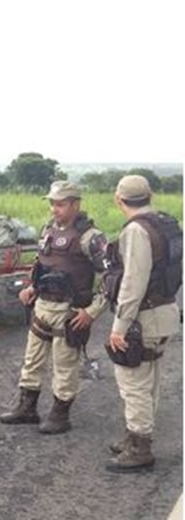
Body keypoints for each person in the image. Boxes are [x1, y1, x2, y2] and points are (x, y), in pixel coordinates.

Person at [0, 180, 108, 433]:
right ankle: (27, 408)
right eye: (52, 203)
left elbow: (111, 277)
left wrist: (91, 312)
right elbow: (41, 264)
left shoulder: (91, 238)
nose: (54, 209)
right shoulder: (49, 230)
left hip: (70, 311)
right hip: (43, 306)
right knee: (32, 359)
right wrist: (31, 288)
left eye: (60, 204)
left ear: (75, 204)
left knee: (65, 364)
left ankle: (60, 414)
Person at [102, 175, 181, 473]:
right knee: (150, 377)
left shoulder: (136, 231)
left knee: (133, 381)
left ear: (118, 200)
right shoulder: (165, 224)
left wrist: (118, 327)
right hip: (165, 312)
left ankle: (140, 447)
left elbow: (133, 282)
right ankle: (134, 435)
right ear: (150, 196)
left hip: (144, 318)